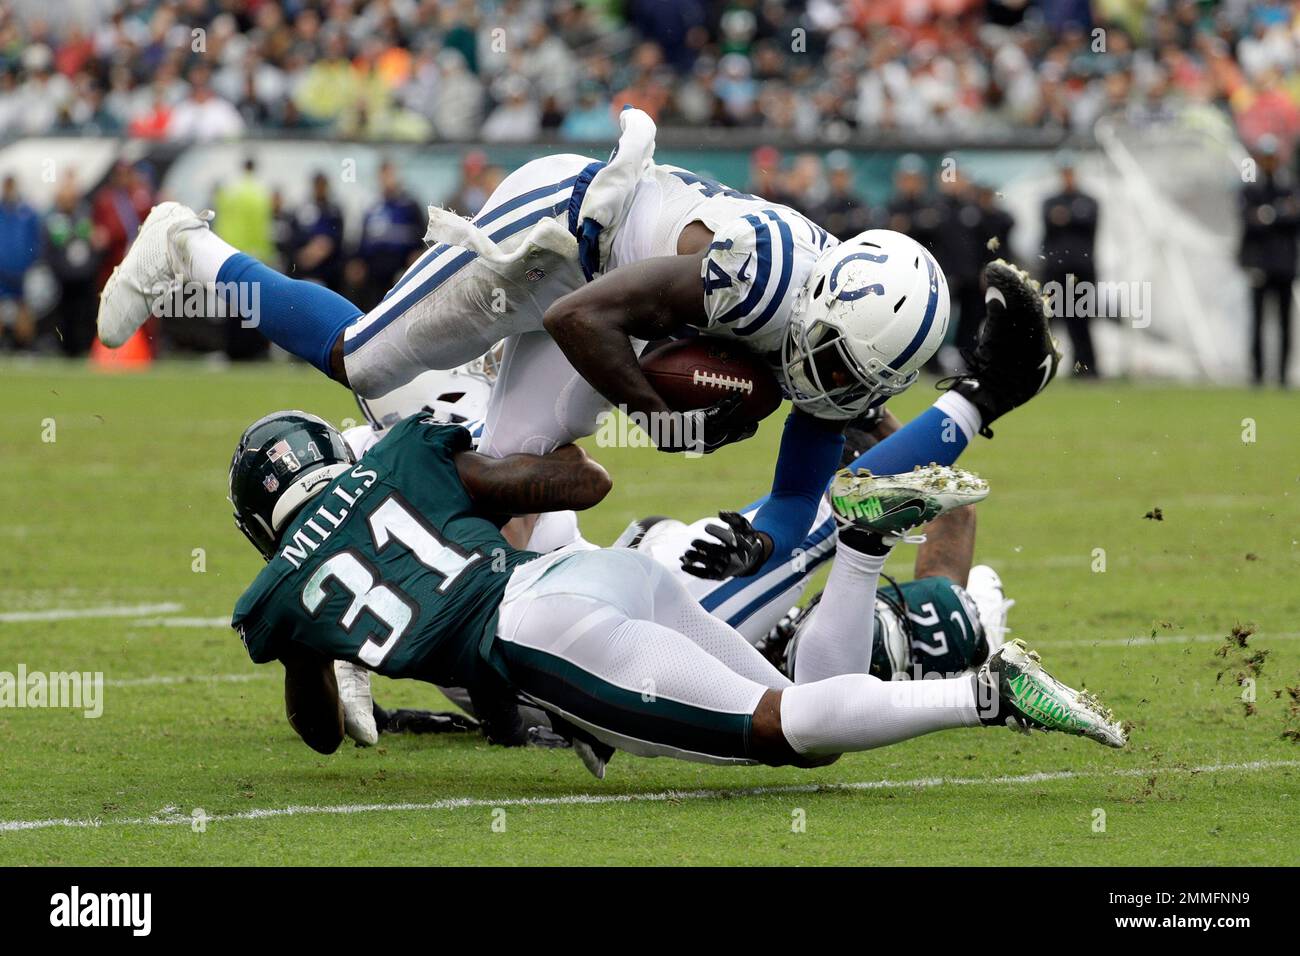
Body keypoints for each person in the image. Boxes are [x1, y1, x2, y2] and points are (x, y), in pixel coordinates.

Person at [98, 109, 1055, 595]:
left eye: (854, 383)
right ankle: (187, 243)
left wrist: (758, 539)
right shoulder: (761, 272)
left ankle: (384, 608)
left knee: (506, 471)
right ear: (832, 307)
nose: (831, 386)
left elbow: (801, 497)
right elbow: (578, 320)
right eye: (836, 366)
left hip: (612, 306)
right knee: (362, 359)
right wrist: (657, 410)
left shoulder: (839, 346)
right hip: (556, 245)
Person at [226, 410, 1126, 776]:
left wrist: (307, 644)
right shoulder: (400, 454)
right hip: (601, 571)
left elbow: (317, 736)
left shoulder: (273, 596)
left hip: (543, 637)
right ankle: (857, 541)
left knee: (786, 736)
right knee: (805, 710)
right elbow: (583, 488)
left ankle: (988, 692)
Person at [1238, 135, 1299, 387]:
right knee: (1257, 322)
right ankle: (1257, 375)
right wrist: (1279, 213)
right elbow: (1249, 223)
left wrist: (1268, 215)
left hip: (1284, 266)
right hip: (1259, 265)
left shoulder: (1288, 187)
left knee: (1286, 323)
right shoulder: (1251, 189)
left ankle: (1283, 376)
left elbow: (1294, 221)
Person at [1040, 154, 1100, 377]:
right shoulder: (1050, 201)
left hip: (1081, 272)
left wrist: (1067, 217)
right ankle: (1039, 367)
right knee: (1046, 321)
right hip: (1055, 272)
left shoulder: (1089, 200)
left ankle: (1086, 366)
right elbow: (1049, 219)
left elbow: (1086, 219)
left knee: (1080, 322)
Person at [43, 174, 104, 356]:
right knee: (65, 314)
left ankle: (87, 348)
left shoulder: (85, 214)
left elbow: (96, 240)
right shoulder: (55, 218)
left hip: (85, 276)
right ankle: (67, 348)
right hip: (64, 277)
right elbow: (54, 244)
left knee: (86, 313)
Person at [353, 160, 424, 308]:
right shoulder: (372, 204)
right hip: (375, 268)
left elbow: (421, 234)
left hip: (401, 266)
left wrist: (417, 254)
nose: (387, 179)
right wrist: (359, 260)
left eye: (390, 174)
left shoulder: (409, 204)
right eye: (384, 175)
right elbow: (364, 238)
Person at [0, 174, 40, 349]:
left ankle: (24, 347)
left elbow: (36, 239)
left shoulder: (27, 212)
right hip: (2, 269)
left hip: (22, 269)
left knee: (24, 310)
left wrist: (31, 261)